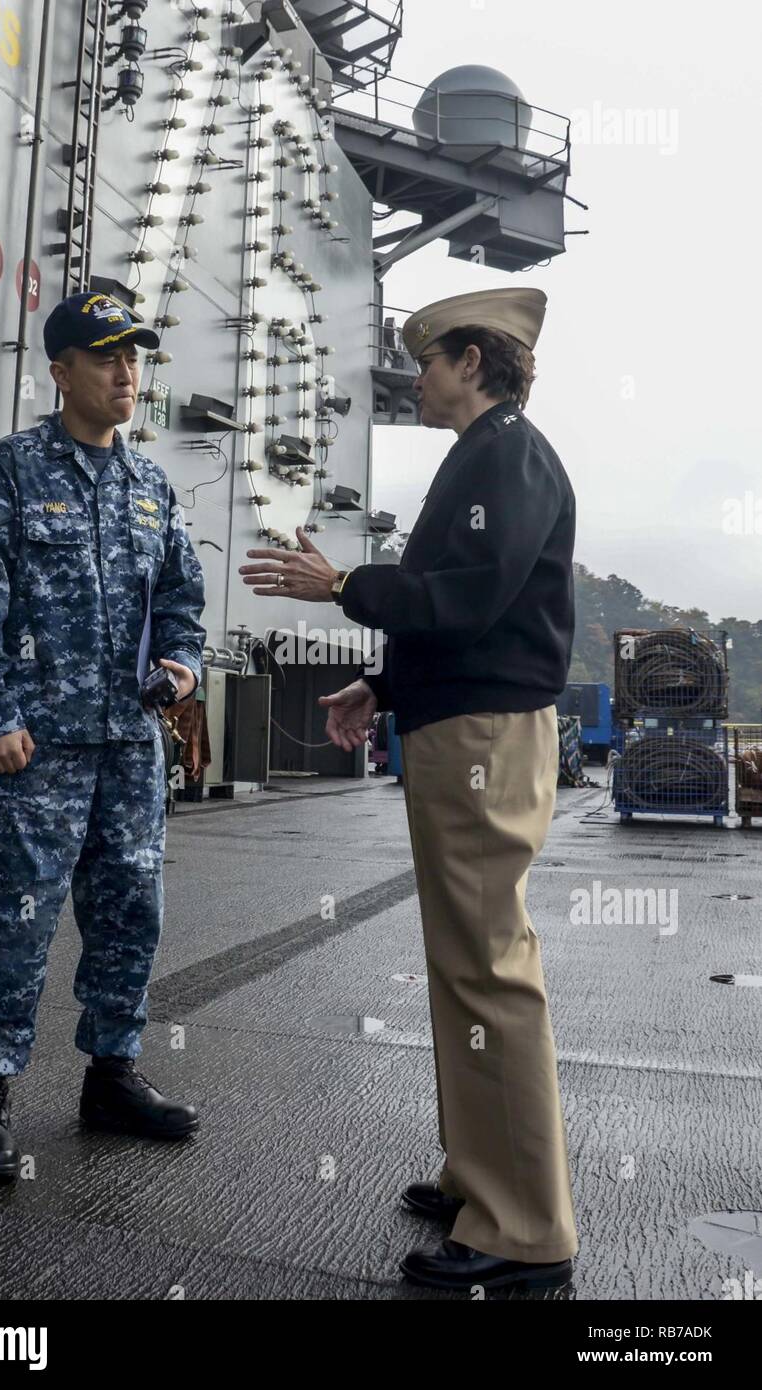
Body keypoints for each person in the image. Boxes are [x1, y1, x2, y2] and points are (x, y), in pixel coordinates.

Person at [239, 287, 578, 1294]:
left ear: (472, 359)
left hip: (480, 739)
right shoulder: (486, 455)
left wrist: (341, 586)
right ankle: (481, 1174)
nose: (416, 377)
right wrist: (382, 683)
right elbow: (473, 612)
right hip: (456, 725)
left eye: (428, 361)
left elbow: (468, 597)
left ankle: (523, 1228)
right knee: (462, 966)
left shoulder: (505, 453)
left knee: (486, 969)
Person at [0, 291, 206, 1186]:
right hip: (36, 754)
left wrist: (181, 666)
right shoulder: (11, 472)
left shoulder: (152, 488)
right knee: (9, 924)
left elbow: (182, 606)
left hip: (130, 751)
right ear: (60, 372)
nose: (126, 372)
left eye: (134, 356)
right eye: (105, 357)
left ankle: (111, 1077)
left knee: (131, 919)